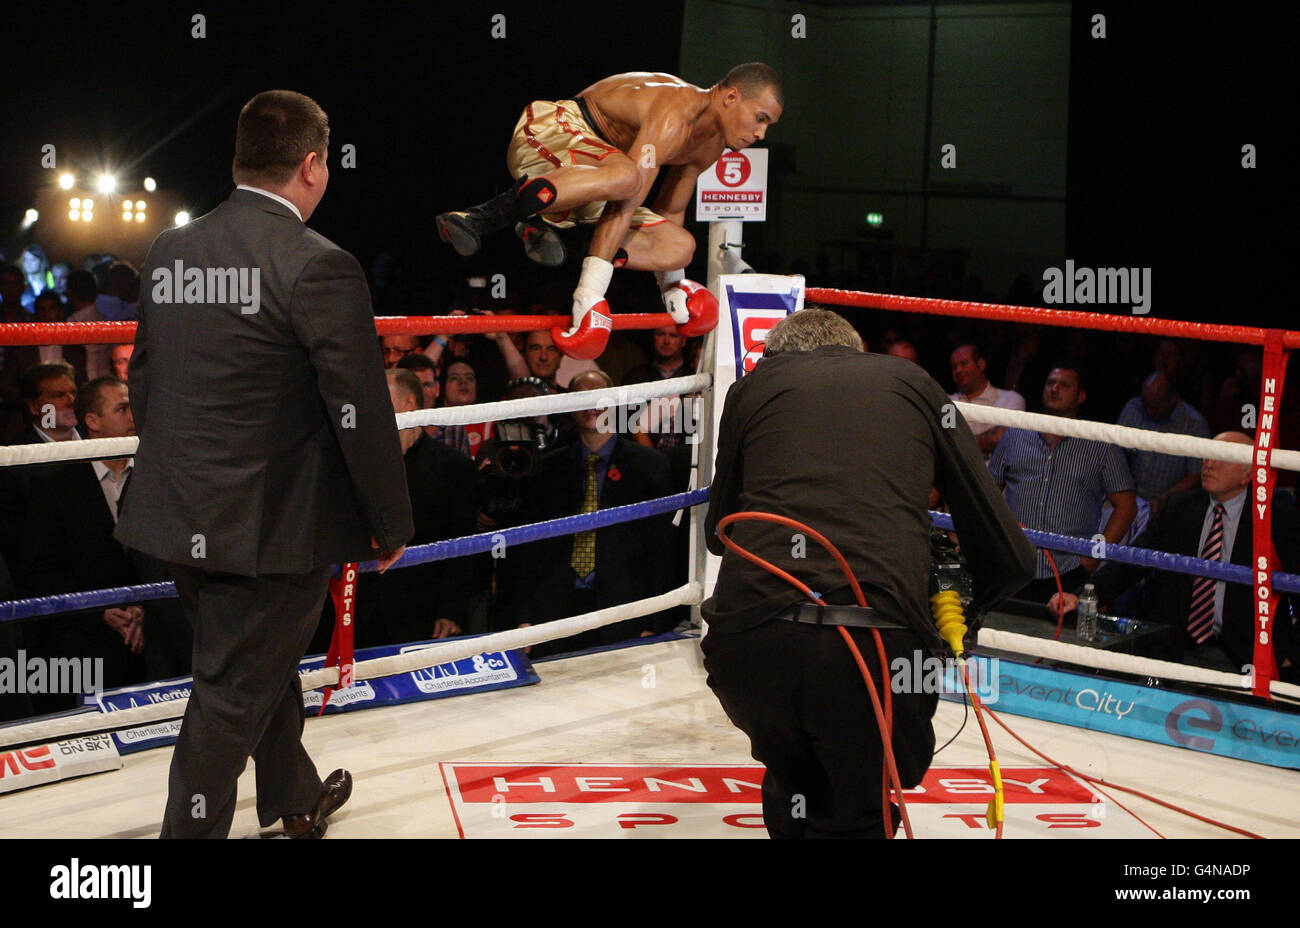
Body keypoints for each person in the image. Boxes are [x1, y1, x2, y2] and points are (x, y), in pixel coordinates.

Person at [114, 90, 414, 839]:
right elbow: (361, 412)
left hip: (182, 516)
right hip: (272, 529)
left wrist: (191, 475)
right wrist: (390, 521)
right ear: (313, 165)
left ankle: (293, 793)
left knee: (251, 663)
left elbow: (145, 385)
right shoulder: (318, 264)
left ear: (241, 159)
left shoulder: (171, 250)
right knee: (226, 696)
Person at [701, 309, 1035, 838]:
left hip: (747, 646)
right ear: (855, 351)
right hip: (878, 650)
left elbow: (716, 532)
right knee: (861, 807)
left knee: (794, 784)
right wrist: (957, 620)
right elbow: (1013, 555)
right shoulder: (913, 383)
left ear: (777, 357)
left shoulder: (753, 388)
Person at [435, 65, 780, 358]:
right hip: (554, 131)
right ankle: (487, 216)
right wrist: (590, 296)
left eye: (768, 125)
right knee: (628, 177)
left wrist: (673, 286)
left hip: (598, 181)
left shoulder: (710, 144)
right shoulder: (676, 110)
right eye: (759, 118)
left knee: (680, 245)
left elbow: (670, 211)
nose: (760, 133)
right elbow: (627, 201)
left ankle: (556, 228)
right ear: (731, 97)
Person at [1047, 432, 1300, 677]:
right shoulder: (1179, 508)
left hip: (1245, 655)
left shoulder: (1278, 519)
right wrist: (1083, 596)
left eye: (1221, 458)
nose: (1208, 464)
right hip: (1176, 649)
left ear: (1249, 474)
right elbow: (1131, 562)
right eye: (1207, 455)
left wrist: (1291, 653)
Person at [504, 369, 676, 654]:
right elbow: (528, 546)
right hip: (555, 613)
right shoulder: (547, 468)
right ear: (571, 407)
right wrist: (524, 617)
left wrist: (655, 621)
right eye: (583, 397)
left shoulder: (649, 466)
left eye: (600, 397)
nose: (592, 405)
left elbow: (661, 548)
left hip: (624, 612)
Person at [989, 363, 1137, 601]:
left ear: (1081, 396)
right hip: (1012, 564)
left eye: (1064, 385)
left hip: (1070, 570)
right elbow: (988, 492)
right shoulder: (1016, 434)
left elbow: (1127, 506)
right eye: (1050, 383)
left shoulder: (1100, 443)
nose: (1054, 389)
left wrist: (1093, 555)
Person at [1116, 371, 1211, 511]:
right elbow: (1115, 451)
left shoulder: (1194, 424)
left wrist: (1164, 500)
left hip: (1169, 507)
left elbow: (1196, 474)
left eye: (1155, 407)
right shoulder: (1133, 408)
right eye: (1145, 405)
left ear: (1173, 399)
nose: (1148, 412)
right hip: (1128, 499)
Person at [948, 343, 1025, 457]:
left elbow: (1003, 440)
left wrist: (960, 442)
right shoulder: (946, 403)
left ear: (981, 365)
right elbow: (946, 443)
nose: (958, 370)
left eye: (963, 364)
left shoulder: (1011, 399)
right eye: (954, 367)